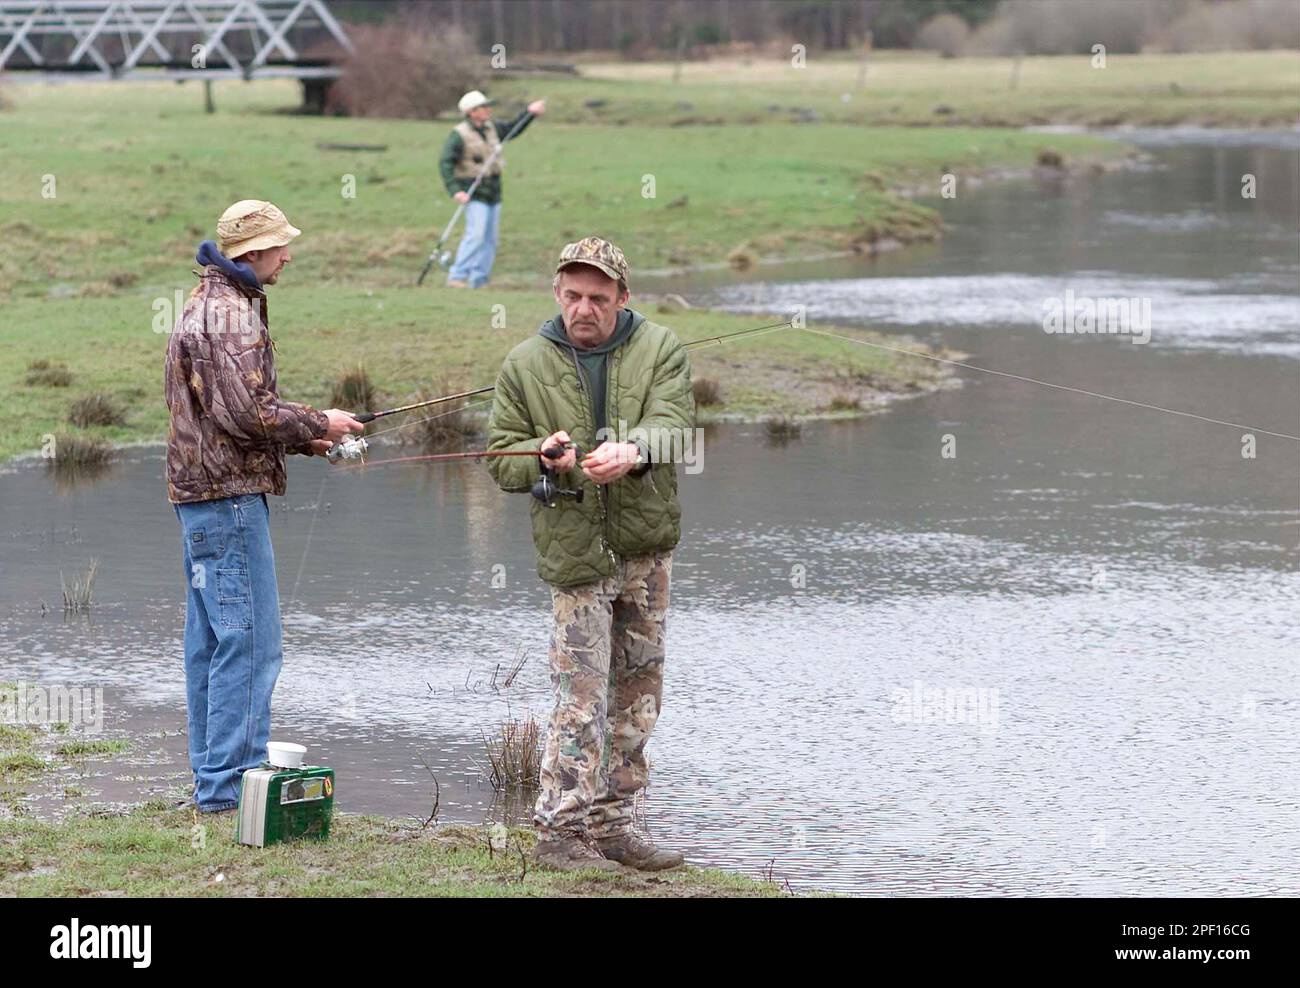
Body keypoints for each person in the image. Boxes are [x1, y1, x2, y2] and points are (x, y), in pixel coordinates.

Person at [486, 237, 696, 872]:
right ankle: (559, 834)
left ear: (622, 298)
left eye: (598, 298)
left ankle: (612, 829)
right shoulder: (523, 363)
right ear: (557, 293)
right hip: (575, 552)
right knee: (581, 699)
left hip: (646, 550)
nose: (584, 308)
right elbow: (500, 457)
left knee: (637, 696)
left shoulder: (662, 349)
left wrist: (633, 451)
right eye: (573, 296)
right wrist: (541, 456)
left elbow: (679, 427)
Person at [163, 199, 362, 813]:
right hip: (228, 504)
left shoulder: (205, 302)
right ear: (251, 252)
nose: (288, 255)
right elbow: (246, 414)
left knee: (213, 644)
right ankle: (229, 789)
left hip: (201, 501)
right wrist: (318, 420)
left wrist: (310, 438)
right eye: (280, 246)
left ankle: (213, 782)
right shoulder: (228, 314)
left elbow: (231, 417)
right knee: (249, 644)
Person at [439, 89, 546, 288]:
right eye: (483, 107)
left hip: (494, 192)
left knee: (490, 239)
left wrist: (530, 113)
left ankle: (479, 279)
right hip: (473, 192)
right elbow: (445, 163)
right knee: (476, 235)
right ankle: (457, 276)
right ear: (471, 112)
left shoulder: (492, 128)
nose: (488, 109)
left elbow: (514, 129)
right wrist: (455, 190)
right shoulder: (458, 135)